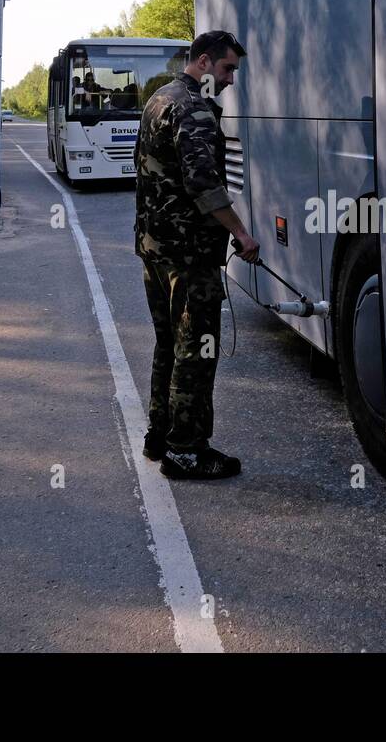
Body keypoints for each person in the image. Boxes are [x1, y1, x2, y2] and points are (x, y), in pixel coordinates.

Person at [134, 30, 260, 480]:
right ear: (204, 62)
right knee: (197, 351)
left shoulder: (160, 98)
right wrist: (241, 234)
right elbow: (204, 185)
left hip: (154, 249)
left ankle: (158, 436)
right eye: (227, 69)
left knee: (169, 343)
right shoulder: (194, 110)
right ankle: (186, 450)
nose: (230, 80)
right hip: (188, 255)